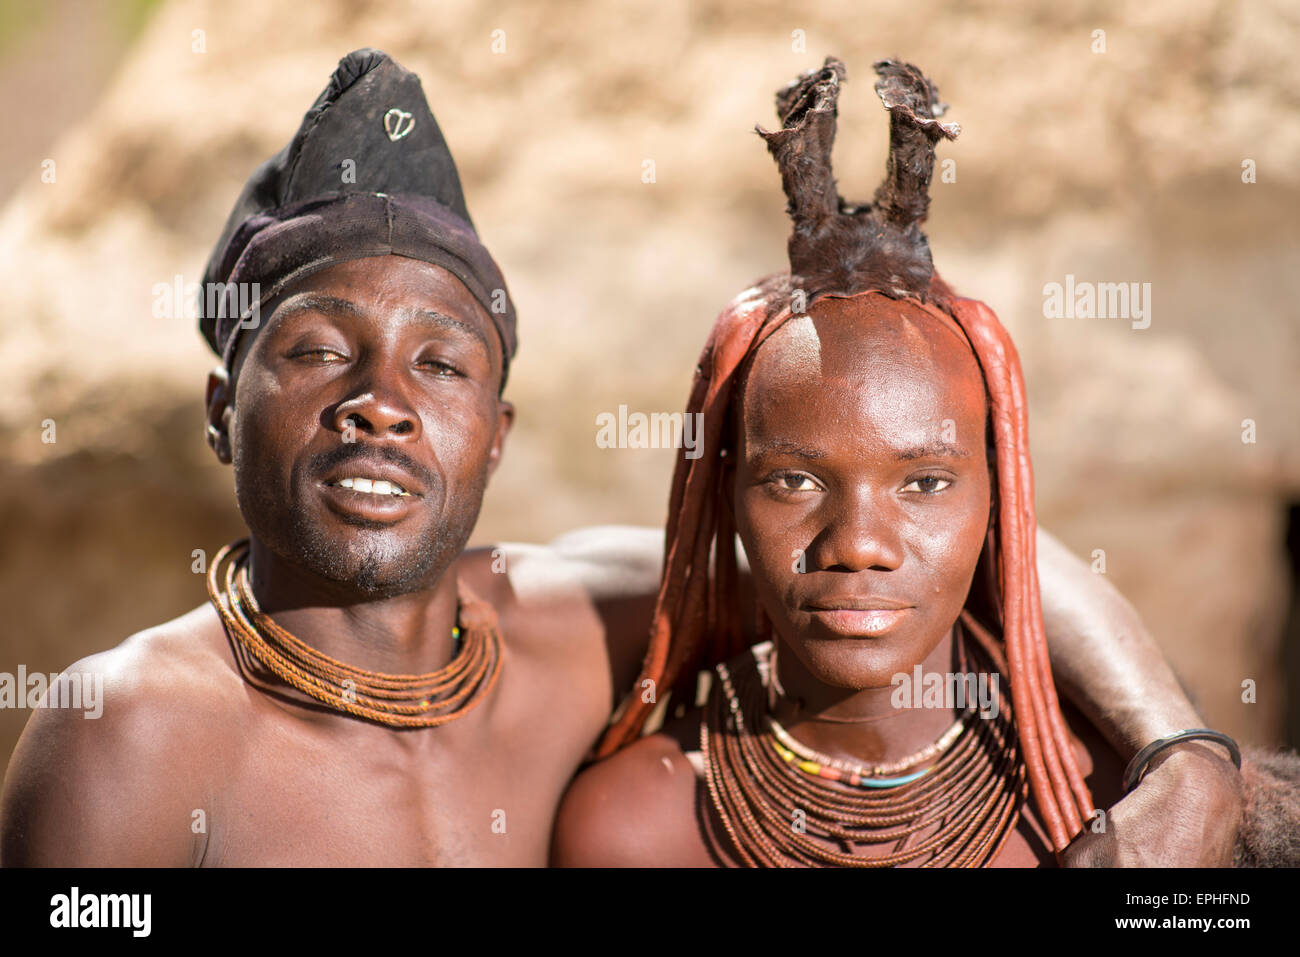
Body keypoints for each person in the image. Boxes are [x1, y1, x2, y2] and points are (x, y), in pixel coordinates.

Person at [1, 51, 1241, 867]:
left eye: (440, 366)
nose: (379, 405)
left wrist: (1185, 763)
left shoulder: (581, 625)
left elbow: (940, 557)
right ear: (223, 408)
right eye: (321, 353)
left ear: (498, 434)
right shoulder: (128, 736)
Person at [551, 58, 1247, 867]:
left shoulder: (1127, 815)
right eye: (795, 480)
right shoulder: (640, 822)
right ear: (727, 490)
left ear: (998, 495)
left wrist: (1195, 773)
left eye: (924, 482)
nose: (858, 543)